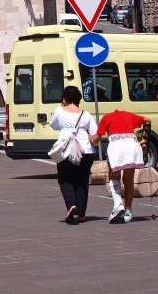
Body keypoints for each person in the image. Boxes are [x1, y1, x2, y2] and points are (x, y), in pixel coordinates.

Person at [91, 109, 151, 224]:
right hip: (132, 146)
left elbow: (96, 140)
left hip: (116, 147)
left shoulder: (106, 118)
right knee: (128, 181)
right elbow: (147, 120)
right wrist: (145, 138)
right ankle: (128, 211)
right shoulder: (129, 115)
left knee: (114, 177)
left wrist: (90, 138)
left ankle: (118, 204)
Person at [49, 86, 98, 225]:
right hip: (86, 151)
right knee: (82, 181)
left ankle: (71, 205)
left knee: (65, 179)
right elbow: (94, 134)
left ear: (65, 98)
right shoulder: (86, 114)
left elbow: (53, 125)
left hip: (66, 151)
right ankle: (81, 214)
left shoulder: (59, 111)